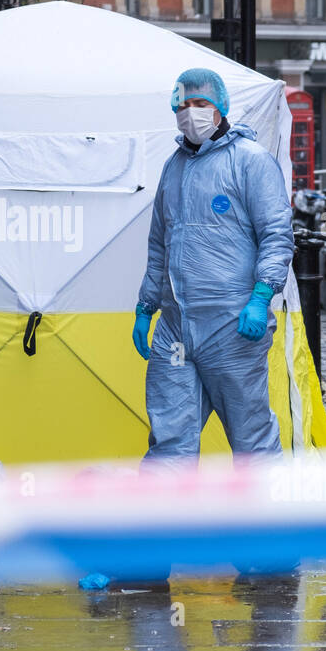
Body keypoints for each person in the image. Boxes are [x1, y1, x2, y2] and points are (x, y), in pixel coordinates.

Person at [132, 68, 295, 467]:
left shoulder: (252, 162)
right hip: (175, 328)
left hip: (234, 325)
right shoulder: (174, 168)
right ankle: (165, 524)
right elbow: (159, 245)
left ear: (221, 108)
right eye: (184, 106)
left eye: (201, 104)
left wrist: (261, 296)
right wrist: (146, 307)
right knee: (169, 437)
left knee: (251, 436)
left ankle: (268, 523)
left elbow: (277, 234)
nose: (192, 113)